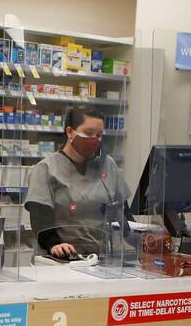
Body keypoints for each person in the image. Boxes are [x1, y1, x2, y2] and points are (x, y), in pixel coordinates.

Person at [24, 105, 133, 260]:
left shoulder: (107, 165)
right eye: (89, 133)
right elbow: (41, 220)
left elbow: (123, 214)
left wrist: (142, 240)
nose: (94, 140)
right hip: (61, 258)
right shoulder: (46, 169)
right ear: (70, 132)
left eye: (99, 135)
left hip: (101, 259)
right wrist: (54, 244)